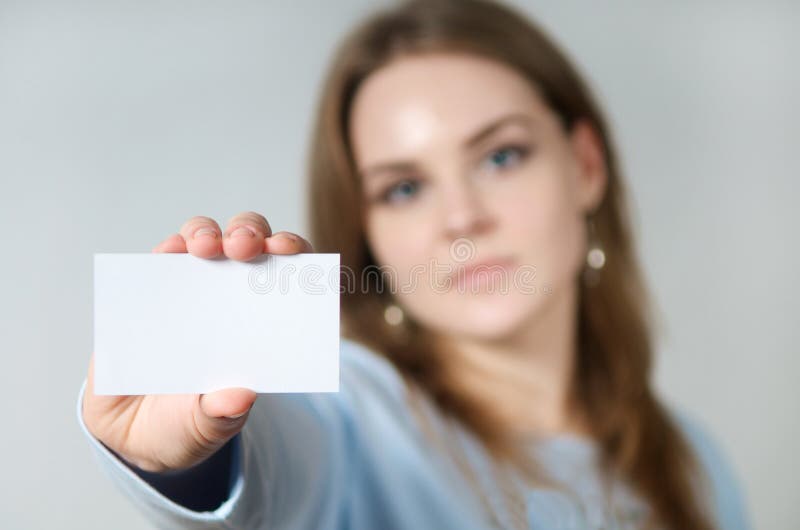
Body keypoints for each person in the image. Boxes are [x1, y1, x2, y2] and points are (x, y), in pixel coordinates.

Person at [77, 1, 752, 529]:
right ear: (368, 236)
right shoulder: (352, 415)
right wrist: (190, 463)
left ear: (585, 166)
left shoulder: (696, 466)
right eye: (404, 188)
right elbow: (276, 461)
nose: (461, 218)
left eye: (501, 156)